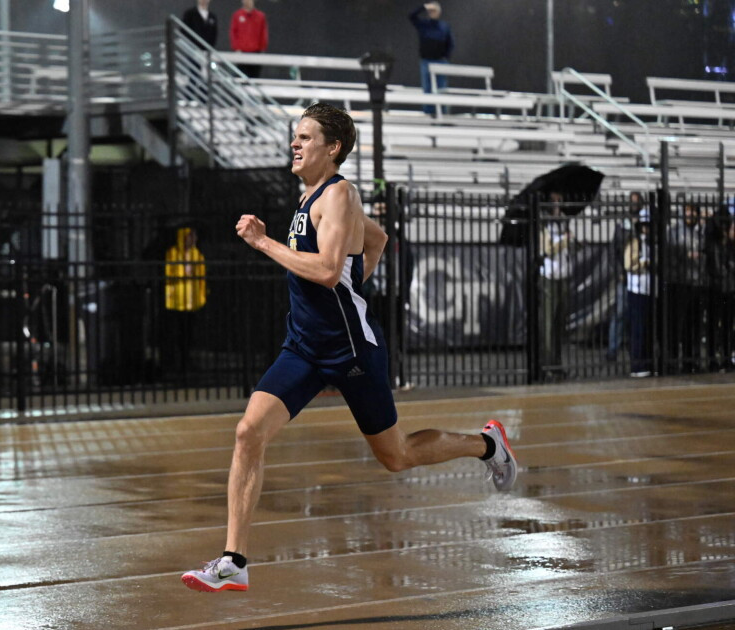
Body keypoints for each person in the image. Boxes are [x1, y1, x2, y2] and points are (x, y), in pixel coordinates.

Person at [179, 103, 517, 594]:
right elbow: (376, 240)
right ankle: (234, 561)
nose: (295, 144)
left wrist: (264, 243)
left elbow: (326, 270)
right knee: (248, 432)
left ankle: (489, 445)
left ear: (332, 148)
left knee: (396, 457)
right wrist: (355, 285)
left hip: (351, 349)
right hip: (304, 348)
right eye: (294, 136)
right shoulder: (308, 196)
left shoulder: (339, 196)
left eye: (306, 138)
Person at [666, 203, 708, 373]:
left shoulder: (700, 233)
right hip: (680, 283)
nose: (690, 215)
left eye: (693, 212)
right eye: (687, 212)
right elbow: (670, 256)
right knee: (678, 325)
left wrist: (700, 258)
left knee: (694, 325)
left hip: (697, 283)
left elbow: (706, 255)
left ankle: (692, 360)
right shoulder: (675, 232)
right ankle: (673, 361)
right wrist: (687, 255)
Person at [164, 227, 207, 377]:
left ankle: (187, 363)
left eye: (194, 236)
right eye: (190, 236)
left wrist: (202, 295)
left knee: (189, 334)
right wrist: (184, 272)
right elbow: (170, 273)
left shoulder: (196, 254)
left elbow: (201, 276)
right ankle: (176, 364)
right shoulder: (173, 253)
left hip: (192, 301)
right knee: (176, 334)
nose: (193, 239)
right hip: (177, 301)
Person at [607, 192, 644, 362]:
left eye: (636, 202)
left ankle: (633, 347)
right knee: (620, 312)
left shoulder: (644, 223)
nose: (634, 205)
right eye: (632, 202)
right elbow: (614, 251)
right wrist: (619, 272)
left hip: (640, 274)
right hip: (625, 275)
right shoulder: (622, 225)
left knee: (636, 313)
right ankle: (613, 349)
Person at [539, 192, 572, 379]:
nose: (558, 205)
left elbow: (565, 247)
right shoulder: (544, 224)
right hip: (549, 277)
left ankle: (557, 363)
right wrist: (566, 240)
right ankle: (547, 364)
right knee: (548, 324)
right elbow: (548, 249)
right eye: (554, 202)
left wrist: (574, 242)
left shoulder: (564, 222)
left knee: (560, 324)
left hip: (563, 275)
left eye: (560, 201)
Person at [409, 2, 454, 116]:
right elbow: (411, 16)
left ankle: (442, 115)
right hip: (427, 61)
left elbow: (450, 43)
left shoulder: (444, 26)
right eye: (430, 11)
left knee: (441, 88)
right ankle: (429, 115)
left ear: (439, 13)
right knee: (428, 89)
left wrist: (445, 57)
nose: (432, 13)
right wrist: (424, 7)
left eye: (434, 11)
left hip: (440, 61)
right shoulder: (423, 25)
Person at [625, 209, 654, 377]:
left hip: (651, 289)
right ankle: (637, 365)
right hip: (637, 289)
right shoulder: (634, 241)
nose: (647, 229)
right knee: (638, 328)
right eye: (644, 225)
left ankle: (648, 362)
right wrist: (644, 263)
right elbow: (629, 264)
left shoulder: (653, 241)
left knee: (649, 328)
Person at [707, 211, 735, 371]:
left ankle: (726, 357)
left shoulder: (731, 245)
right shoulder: (713, 244)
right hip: (716, 289)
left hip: (729, 289)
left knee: (727, 325)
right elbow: (716, 268)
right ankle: (713, 358)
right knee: (714, 325)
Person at [230, 0, 268, 79]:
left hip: (256, 52)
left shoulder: (260, 16)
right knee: (242, 77)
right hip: (242, 53)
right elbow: (233, 33)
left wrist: (262, 49)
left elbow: (263, 33)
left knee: (254, 78)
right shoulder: (237, 15)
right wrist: (237, 48)